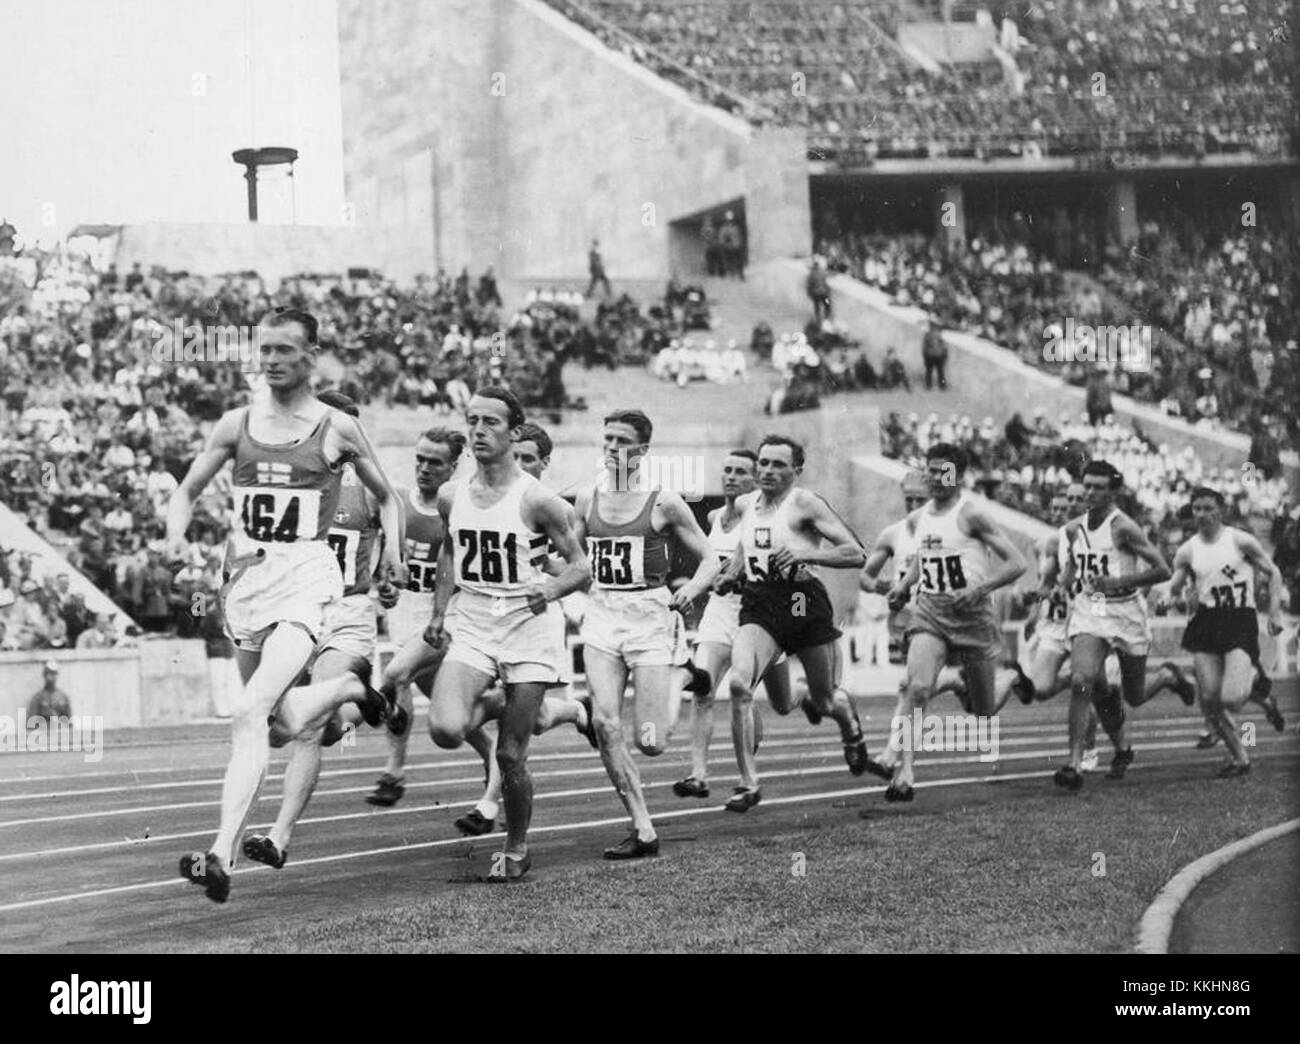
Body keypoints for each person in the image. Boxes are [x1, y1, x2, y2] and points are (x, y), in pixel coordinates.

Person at [172, 308, 406, 903]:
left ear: (311, 355)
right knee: (274, 726)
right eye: (265, 348)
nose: (271, 359)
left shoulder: (336, 429)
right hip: (248, 585)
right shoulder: (235, 423)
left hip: (307, 581)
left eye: (284, 350)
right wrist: (174, 540)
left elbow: (389, 497)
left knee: (247, 712)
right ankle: (352, 691)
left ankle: (220, 854)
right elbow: (186, 489)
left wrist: (394, 555)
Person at [422, 387, 590, 882]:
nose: (477, 431)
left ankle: (516, 848)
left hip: (527, 626)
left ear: (514, 433)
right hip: (474, 620)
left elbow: (582, 568)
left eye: (490, 422)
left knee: (511, 753)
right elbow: (450, 553)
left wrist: (551, 589)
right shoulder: (452, 495)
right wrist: (438, 611)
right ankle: (501, 702)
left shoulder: (539, 500)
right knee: (445, 728)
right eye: (472, 420)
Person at [241, 391, 402, 870]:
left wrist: (390, 569)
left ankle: (278, 837)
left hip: (348, 610)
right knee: (290, 728)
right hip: (296, 611)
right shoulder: (293, 481)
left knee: (309, 730)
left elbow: (395, 515)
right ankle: (362, 700)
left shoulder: (370, 490)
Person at [575, 409, 718, 854]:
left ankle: (682, 676)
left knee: (650, 742)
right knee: (604, 722)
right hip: (601, 613)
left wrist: (692, 589)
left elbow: (712, 558)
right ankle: (643, 828)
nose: (612, 447)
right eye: (607, 439)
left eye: (621, 440)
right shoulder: (587, 497)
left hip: (650, 615)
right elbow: (575, 560)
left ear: (642, 450)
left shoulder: (664, 501)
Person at [719, 434, 879, 811]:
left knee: (825, 700)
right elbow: (747, 544)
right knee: (740, 685)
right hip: (761, 603)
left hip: (801, 600)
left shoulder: (804, 503)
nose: (768, 471)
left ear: (797, 470)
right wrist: (733, 572)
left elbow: (857, 553)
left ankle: (849, 726)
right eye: (763, 463)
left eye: (778, 464)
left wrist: (807, 555)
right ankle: (748, 783)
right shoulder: (746, 504)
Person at [454, 421, 597, 836]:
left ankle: (488, 804)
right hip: (487, 617)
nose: (518, 464)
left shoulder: (549, 507)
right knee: (521, 718)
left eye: (528, 458)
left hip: (537, 615)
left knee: (520, 727)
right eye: (515, 456)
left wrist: (547, 577)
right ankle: (575, 711)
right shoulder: (488, 498)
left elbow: (577, 566)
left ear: (545, 462)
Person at [885, 444, 1028, 801]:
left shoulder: (972, 515)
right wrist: (904, 586)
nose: (935, 477)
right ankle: (904, 773)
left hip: (973, 616)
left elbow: (1016, 563)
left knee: (982, 711)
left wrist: (980, 589)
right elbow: (924, 556)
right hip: (931, 611)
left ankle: (1008, 677)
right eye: (930, 470)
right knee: (917, 688)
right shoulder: (919, 519)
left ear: (959, 476)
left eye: (943, 471)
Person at [672, 451, 790, 800]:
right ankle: (698, 774)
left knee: (783, 702)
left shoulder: (767, 519)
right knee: (703, 689)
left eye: (742, 472)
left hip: (759, 621)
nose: (732, 477)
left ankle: (806, 696)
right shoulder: (711, 517)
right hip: (720, 616)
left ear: (755, 480)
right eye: (727, 470)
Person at [1052, 460, 1171, 791]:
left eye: (1098, 487)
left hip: (1127, 613)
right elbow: (1072, 571)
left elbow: (1163, 569)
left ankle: (1165, 679)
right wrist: (1058, 586)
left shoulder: (1124, 527)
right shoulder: (1074, 529)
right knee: (1081, 681)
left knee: (1132, 696)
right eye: (1086, 485)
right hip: (1093, 610)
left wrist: (1118, 581)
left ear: (1113, 490)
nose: (1090, 492)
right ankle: (1074, 764)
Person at [366, 428, 466, 807]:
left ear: (452, 468)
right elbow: (385, 562)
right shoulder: (397, 504)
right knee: (458, 719)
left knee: (394, 674)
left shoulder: (458, 509)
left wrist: (442, 611)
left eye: (435, 462)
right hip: (405, 612)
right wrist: (385, 586)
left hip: (444, 615)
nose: (424, 468)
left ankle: (393, 772)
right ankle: (493, 761)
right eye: (420, 459)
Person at [1166, 487, 1286, 776]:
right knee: (1209, 699)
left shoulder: (1240, 540)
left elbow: (1274, 572)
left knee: (1230, 698)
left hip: (1239, 620)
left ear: (1220, 510)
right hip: (1207, 621)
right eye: (1197, 509)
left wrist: (1273, 610)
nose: (1202, 514)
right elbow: (1175, 586)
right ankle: (1240, 758)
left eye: (1208, 508)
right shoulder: (1188, 550)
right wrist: (1169, 597)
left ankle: (1257, 684)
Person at [921, 319, 948, 391]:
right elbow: (944, 347)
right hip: (938, 356)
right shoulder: (939, 335)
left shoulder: (928, 335)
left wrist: (925, 356)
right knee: (940, 372)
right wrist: (944, 356)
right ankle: (942, 386)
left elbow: (924, 347)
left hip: (931, 356)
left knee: (929, 371)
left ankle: (928, 385)